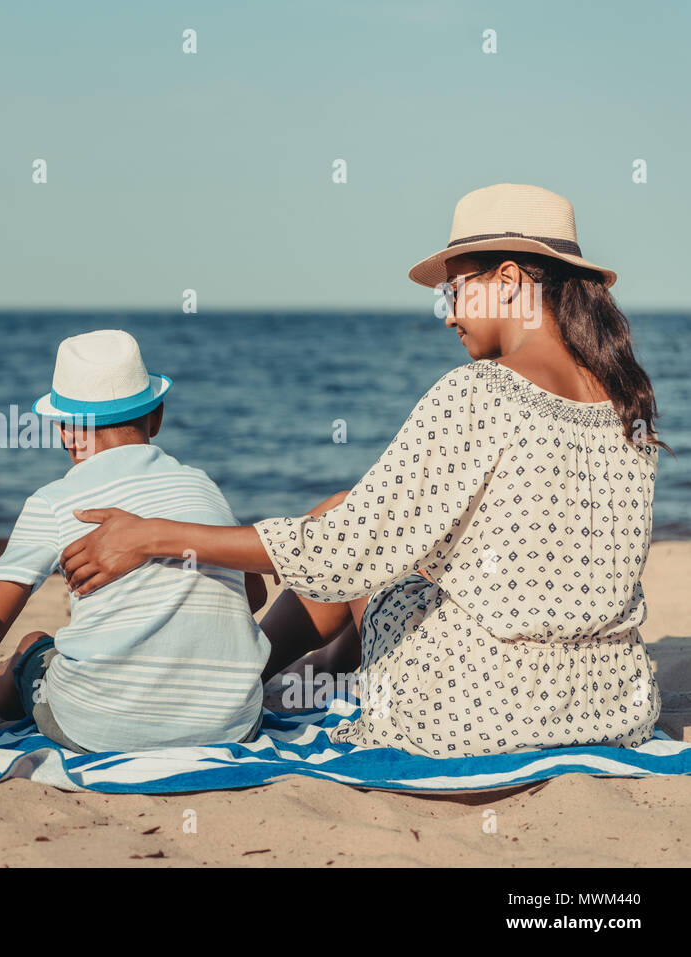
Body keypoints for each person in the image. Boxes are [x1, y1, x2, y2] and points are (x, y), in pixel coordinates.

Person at [59, 184, 666, 757]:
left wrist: (153, 534)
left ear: (507, 281)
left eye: (454, 292)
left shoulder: (479, 392)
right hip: (611, 705)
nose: (450, 315)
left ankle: (250, 672)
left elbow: (342, 552)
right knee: (367, 530)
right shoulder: (626, 400)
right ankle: (307, 667)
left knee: (342, 528)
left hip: (485, 712)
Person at [0, 329, 273, 753]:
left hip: (97, 729)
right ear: (155, 418)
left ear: (66, 432)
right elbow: (251, 596)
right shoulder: (200, 485)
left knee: (31, 647)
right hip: (231, 725)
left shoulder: (56, 501)